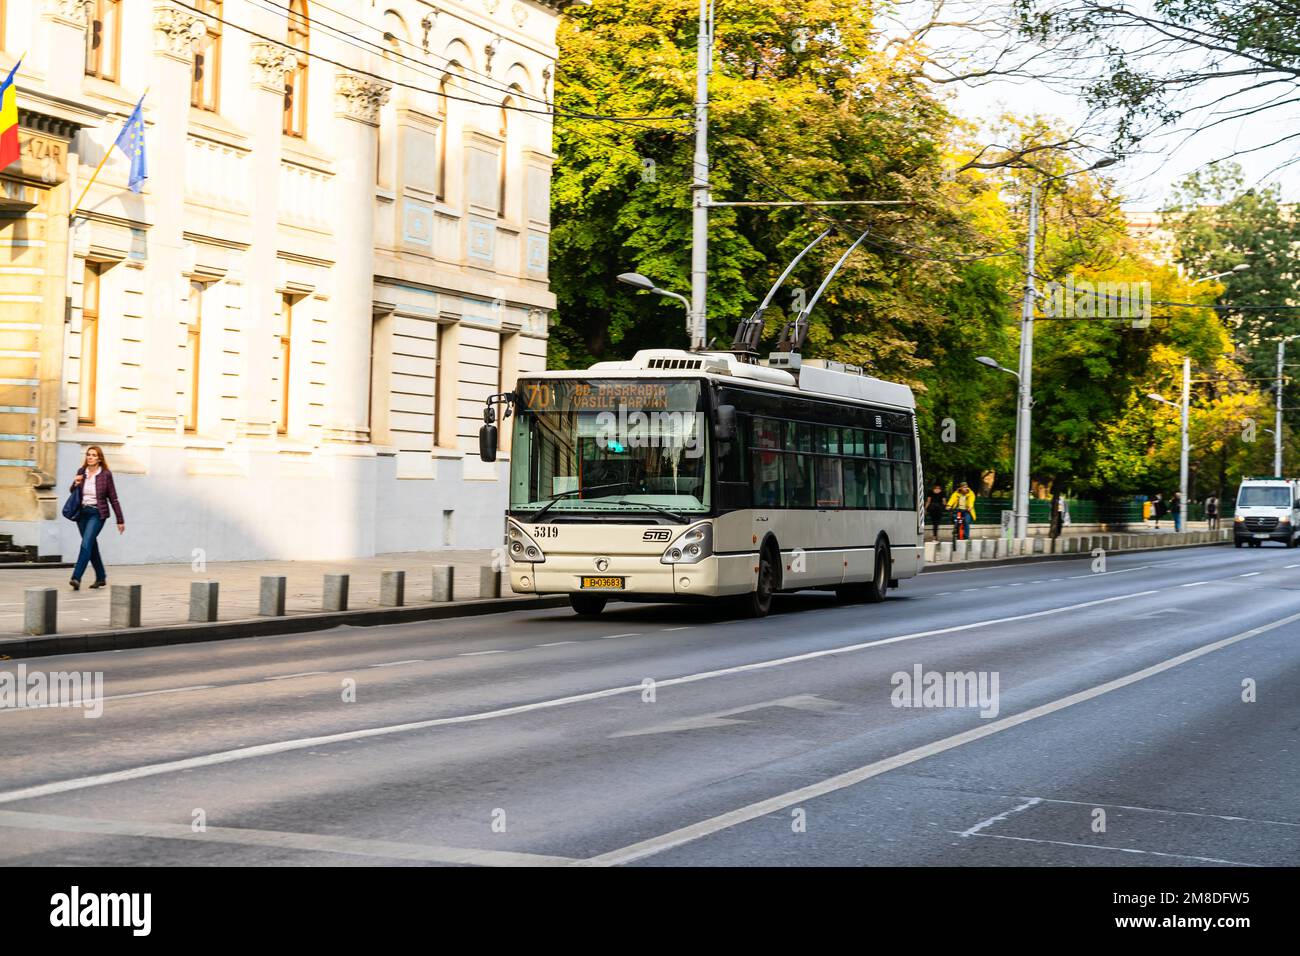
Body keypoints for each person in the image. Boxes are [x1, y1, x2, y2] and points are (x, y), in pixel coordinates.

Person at [67, 445, 124, 591]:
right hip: (82, 514)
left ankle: (76, 577)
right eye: (88, 455)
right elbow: (73, 491)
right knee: (91, 546)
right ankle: (101, 577)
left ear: (99, 458)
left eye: (93, 455)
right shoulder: (82, 472)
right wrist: (75, 483)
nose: (90, 457)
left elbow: (113, 498)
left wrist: (120, 520)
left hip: (97, 514)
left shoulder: (105, 474)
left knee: (86, 544)